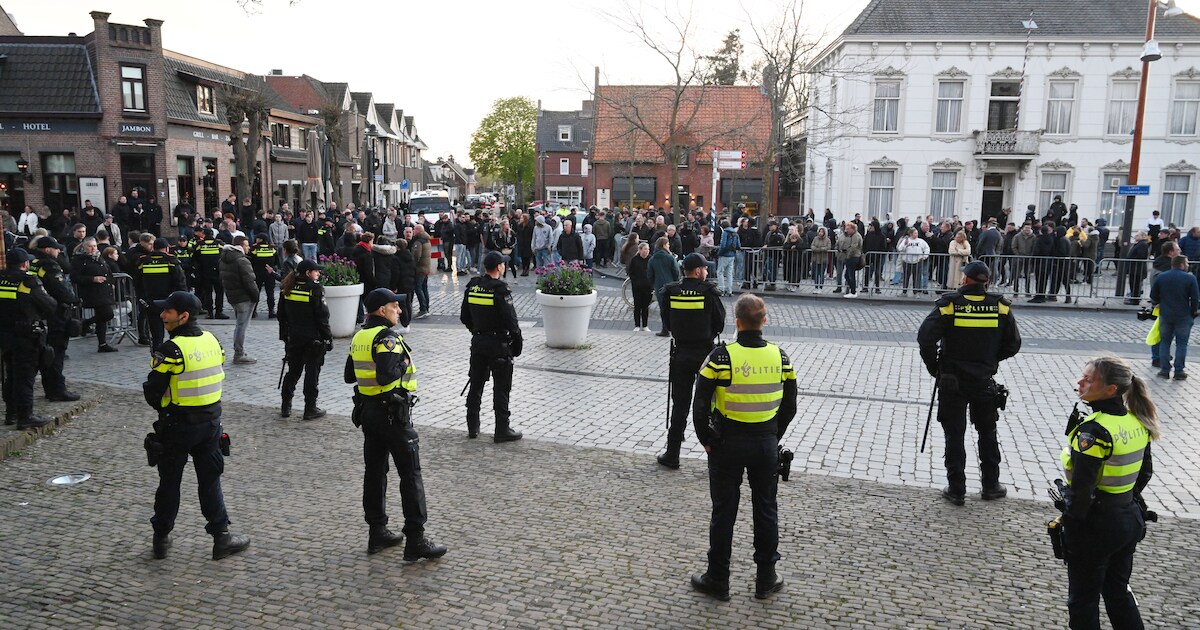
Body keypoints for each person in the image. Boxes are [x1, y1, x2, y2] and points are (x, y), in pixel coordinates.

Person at [689, 294, 796, 601]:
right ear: (764, 321)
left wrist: (707, 441)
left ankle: (718, 578)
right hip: (765, 443)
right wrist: (773, 435)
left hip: (727, 444)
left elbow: (700, 403)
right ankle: (766, 578)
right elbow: (790, 405)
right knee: (766, 509)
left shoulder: (720, 358)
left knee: (724, 511)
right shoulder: (781, 357)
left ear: (736, 323)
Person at [142, 291, 251, 560]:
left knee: (169, 483)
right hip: (210, 423)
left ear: (183, 316)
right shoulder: (213, 341)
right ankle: (221, 538)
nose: (162, 315)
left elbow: (152, 391)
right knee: (210, 481)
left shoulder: (171, 350)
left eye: (167, 311)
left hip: (177, 425)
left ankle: (161, 538)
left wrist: (166, 410)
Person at [345, 288, 448, 559]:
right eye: (395, 306)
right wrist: (403, 363)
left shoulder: (360, 336)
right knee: (410, 475)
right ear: (382, 310)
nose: (399, 310)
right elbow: (385, 375)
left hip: (369, 413)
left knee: (375, 473)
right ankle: (416, 539)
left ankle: (377, 532)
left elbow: (349, 375)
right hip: (391, 414)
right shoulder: (387, 337)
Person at [1059, 355, 1160, 629]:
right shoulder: (1136, 420)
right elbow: (1145, 473)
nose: (1080, 382)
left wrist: (1071, 527)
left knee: (1083, 601)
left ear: (1110, 389)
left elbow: (1082, 490)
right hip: (1127, 518)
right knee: (1118, 592)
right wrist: (1122, 498)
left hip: (1096, 526)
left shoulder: (1094, 431)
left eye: (1089, 379)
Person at [917, 261, 1022, 505]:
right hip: (983, 381)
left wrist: (936, 368)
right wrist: (989, 359)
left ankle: (956, 489)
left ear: (965, 279)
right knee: (987, 432)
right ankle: (991, 486)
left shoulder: (950, 305)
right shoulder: (1000, 307)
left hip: (952, 381)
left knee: (955, 435)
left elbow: (925, 339)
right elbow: (1013, 344)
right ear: (987, 282)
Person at [657, 253, 726, 468]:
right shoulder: (708, 292)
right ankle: (717, 455)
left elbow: (667, 322)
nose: (706, 271)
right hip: (705, 355)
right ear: (697, 271)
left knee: (680, 405)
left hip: (681, 353)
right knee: (711, 405)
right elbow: (720, 324)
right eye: (704, 268)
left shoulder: (671, 292)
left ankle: (672, 454)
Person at [460, 251, 524, 442]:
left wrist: (477, 331)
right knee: (501, 387)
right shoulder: (500, 290)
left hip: (479, 342)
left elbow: (464, 316)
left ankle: (472, 426)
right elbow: (511, 322)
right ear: (498, 267)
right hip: (498, 345)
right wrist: (517, 344)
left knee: (476, 383)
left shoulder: (473, 287)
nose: (504, 266)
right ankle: (502, 429)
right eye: (503, 264)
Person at [1, 248, 58, 429]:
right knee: (25, 377)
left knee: (11, 374)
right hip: (26, 335)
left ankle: (11, 413)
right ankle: (25, 416)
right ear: (25, 264)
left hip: (5, 335)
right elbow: (49, 305)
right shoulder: (28, 281)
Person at [278, 259, 333, 419]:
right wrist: (328, 338)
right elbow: (322, 317)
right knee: (312, 373)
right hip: (313, 339)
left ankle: (286, 406)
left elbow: (281, 316)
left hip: (294, 337)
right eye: (316, 271)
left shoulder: (287, 288)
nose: (318, 274)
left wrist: (285, 337)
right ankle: (310, 408)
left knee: (293, 372)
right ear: (308, 273)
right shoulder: (315, 289)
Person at [30, 237, 82, 402]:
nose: (59, 251)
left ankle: (50, 388)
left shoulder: (34, 263)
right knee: (57, 353)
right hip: (56, 314)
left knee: (47, 353)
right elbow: (61, 289)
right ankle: (57, 390)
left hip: (42, 313)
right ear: (47, 249)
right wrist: (74, 300)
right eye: (56, 248)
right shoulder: (49, 265)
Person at [1149, 255, 1200, 380]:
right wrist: (1193, 312)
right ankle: (1179, 370)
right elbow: (1195, 298)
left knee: (1165, 342)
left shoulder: (1162, 276)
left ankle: (1164, 369)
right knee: (1182, 344)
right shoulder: (1190, 278)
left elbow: (1153, 295)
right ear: (1182, 264)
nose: (1188, 265)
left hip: (1166, 314)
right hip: (1183, 315)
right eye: (1186, 263)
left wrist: (1160, 302)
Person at [134, 237, 188, 353]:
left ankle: (157, 356)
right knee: (175, 332)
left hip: (151, 302)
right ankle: (174, 354)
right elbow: (180, 282)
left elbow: (137, 283)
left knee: (156, 334)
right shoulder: (171, 261)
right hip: (170, 302)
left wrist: (142, 298)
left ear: (153, 248)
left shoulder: (143, 261)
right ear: (167, 248)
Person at [71, 237, 119, 353]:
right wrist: (93, 279)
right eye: (90, 246)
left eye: (94, 246)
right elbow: (75, 277)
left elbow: (108, 272)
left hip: (104, 290)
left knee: (102, 317)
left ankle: (102, 343)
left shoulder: (99, 257)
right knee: (107, 314)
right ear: (84, 247)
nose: (93, 249)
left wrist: (111, 282)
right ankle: (87, 324)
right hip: (92, 291)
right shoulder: (79, 259)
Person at [218, 236, 259, 364]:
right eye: (246, 245)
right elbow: (250, 281)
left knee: (239, 325)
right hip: (244, 297)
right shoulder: (242, 260)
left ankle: (239, 351)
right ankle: (239, 353)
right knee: (242, 326)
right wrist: (256, 297)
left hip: (233, 297)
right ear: (240, 246)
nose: (248, 247)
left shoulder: (224, 259)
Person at [248, 234, 280, 319]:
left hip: (257, 274)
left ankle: (253, 311)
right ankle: (271, 311)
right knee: (270, 293)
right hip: (270, 274)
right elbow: (277, 262)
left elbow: (250, 261)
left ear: (260, 239)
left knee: (256, 293)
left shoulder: (254, 249)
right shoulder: (272, 249)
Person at [628, 242, 653, 331]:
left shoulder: (651, 259)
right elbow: (631, 272)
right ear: (640, 250)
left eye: (648, 249)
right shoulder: (634, 260)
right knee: (637, 306)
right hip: (637, 287)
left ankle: (645, 325)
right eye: (645, 249)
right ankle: (637, 325)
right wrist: (635, 281)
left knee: (646, 307)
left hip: (648, 287)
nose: (647, 251)